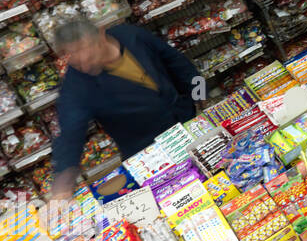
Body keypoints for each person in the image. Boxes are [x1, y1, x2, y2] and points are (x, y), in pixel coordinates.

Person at [49, 18, 201, 198]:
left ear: (101, 34)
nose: (84, 63)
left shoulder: (132, 35)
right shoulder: (76, 87)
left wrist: (202, 97)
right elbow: (70, 135)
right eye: (75, 57)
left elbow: (179, 63)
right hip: (150, 155)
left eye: (87, 51)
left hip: (187, 122)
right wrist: (62, 185)